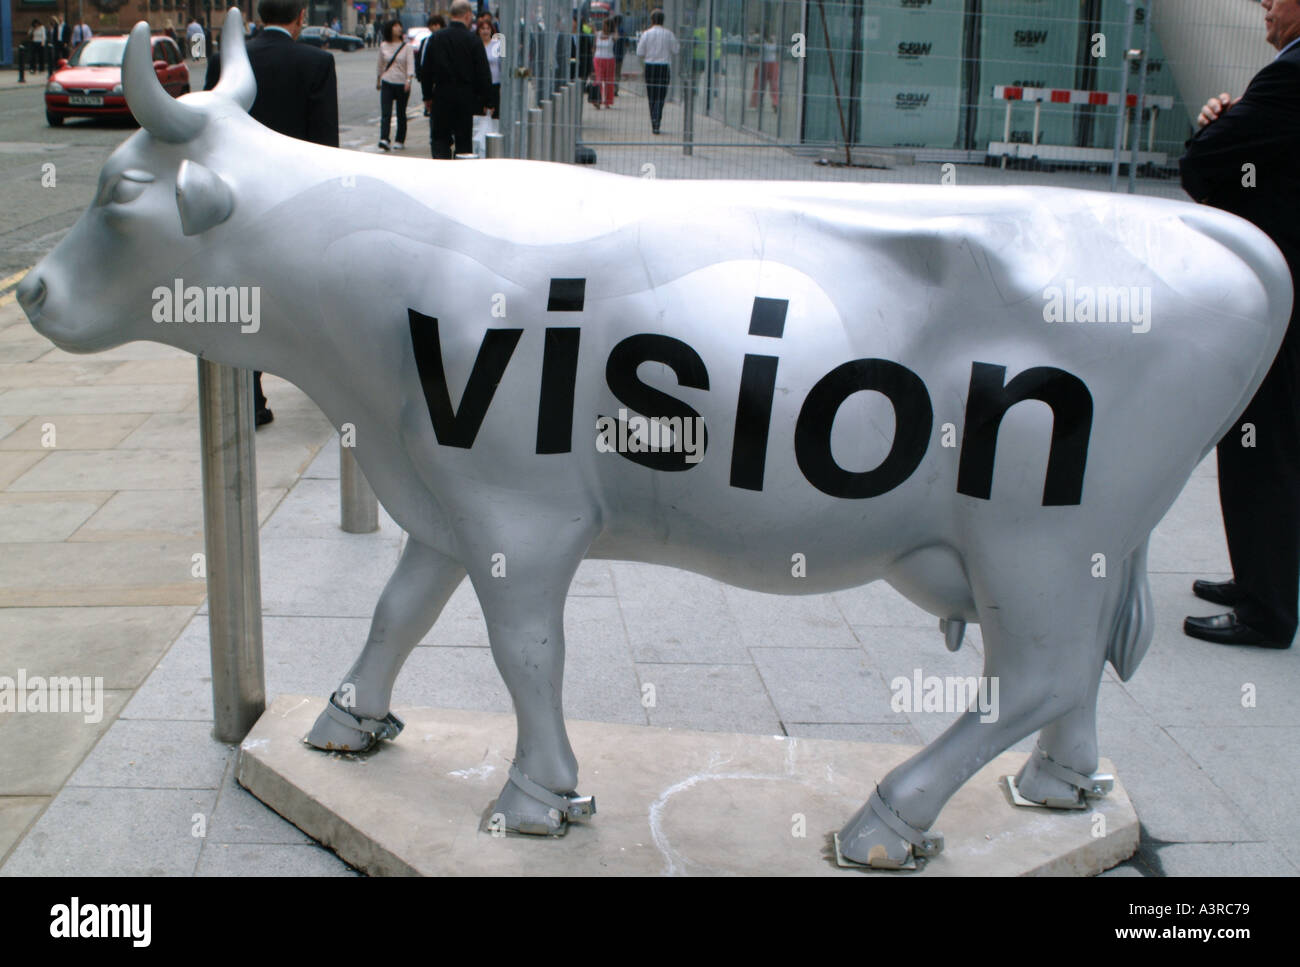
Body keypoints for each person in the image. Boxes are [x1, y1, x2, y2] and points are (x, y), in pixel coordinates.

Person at [1180, 0, 1300, 649]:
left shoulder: (1290, 75)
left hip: (1280, 293)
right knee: (1265, 439)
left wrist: (1214, 127)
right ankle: (1258, 578)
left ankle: (1267, 607)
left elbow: (1204, 164)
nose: (1264, 4)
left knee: (1263, 443)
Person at [205, 0, 339, 429]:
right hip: (294, 201)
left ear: (260, 16)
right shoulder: (317, 62)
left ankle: (249, 393)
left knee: (241, 298)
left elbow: (211, 136)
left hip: (237, 201)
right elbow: (324, 146)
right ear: (300, 17)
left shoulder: (224, 61)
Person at [424, 0, 492, 159]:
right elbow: (483, 73)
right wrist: (486, 101)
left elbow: (426, 71)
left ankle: (441, 172)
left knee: (440, 139)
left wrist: (427, 96)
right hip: (466, 98)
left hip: (441, 95)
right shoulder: (473, 40)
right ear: (468, 15)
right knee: (464, 142)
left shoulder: (436, 38)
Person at [637, 8, 677, 135]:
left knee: (652, 94)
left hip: (650, 66)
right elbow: (676, 50)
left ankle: (654, 120)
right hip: (664, 67)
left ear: (652, 20)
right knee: (661, 95)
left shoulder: (646, 34)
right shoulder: (669, 34)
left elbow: (640, 52)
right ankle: (657, 118)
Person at [376, 20, 415, 150]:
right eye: (395, 26)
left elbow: (410, 65)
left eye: (400, 26)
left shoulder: (407, 47)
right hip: (387, 81)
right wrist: (378, 80)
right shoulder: (383, 45)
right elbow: (380, 64)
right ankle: (384, 138)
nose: (399, 28)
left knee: (401, 113)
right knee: (386, 113)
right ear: (390, 29)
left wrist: (408, 81)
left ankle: (400, 140)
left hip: (402, 83)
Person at [417, 13, 446, 120]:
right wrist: (419, 72)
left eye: (436, 24)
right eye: (431, 25)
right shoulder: (426, 41)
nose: (433, 27)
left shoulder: (445, 40)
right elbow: (421, 57)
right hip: (427, 75)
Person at [478, 16, 503, 118]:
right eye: (483, 29)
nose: (485, 31)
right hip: (479, 85)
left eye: (487, 28)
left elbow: (501, 64)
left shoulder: (497, 45)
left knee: (494, 113)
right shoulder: (476, 45)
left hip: (494, 83)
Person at [592, 18, 615, 108]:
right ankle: (597, 99)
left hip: (609, 59)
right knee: (598, 79)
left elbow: (617, 37)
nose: (603, 27)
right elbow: (594, 46)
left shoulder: (612, 36)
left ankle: (608, 101)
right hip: (598, 59)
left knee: (609, 81)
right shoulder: (598, 34)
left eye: (605, 25)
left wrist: (614, 29)